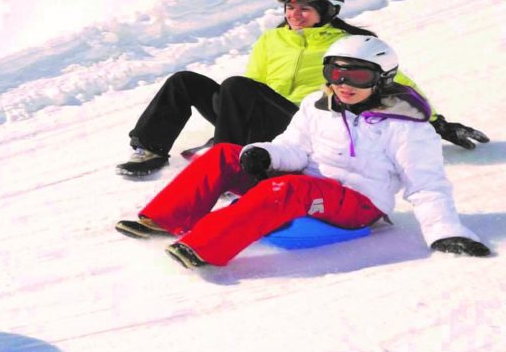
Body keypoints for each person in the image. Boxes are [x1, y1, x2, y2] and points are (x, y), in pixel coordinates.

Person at [117, 36, 493, 267]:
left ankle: (203, 246)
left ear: (383, 79)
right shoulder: (318, 104)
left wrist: (444, 232)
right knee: (225, 153)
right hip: (309, 184)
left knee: (286, 190)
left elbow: (426, 185)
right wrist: (265, 154)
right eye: (335, 72)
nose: (342, 84)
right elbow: (293, 147)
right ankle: (164, 219)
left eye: (357, 76)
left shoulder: (407, 126)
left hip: (359, 204)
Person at [118, 0, 487, 177]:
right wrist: (235, 111)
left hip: (298, 119)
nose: (294, 13)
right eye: (290, 6)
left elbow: (398, 83)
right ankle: (149, 148)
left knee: (236, 86)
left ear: (328, 10)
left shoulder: (350, 43)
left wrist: (440, 124)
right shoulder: (271, 38)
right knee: (187, 80)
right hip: (254, 111)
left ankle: (226, 160)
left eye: (305, 7)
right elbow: (252, 84)